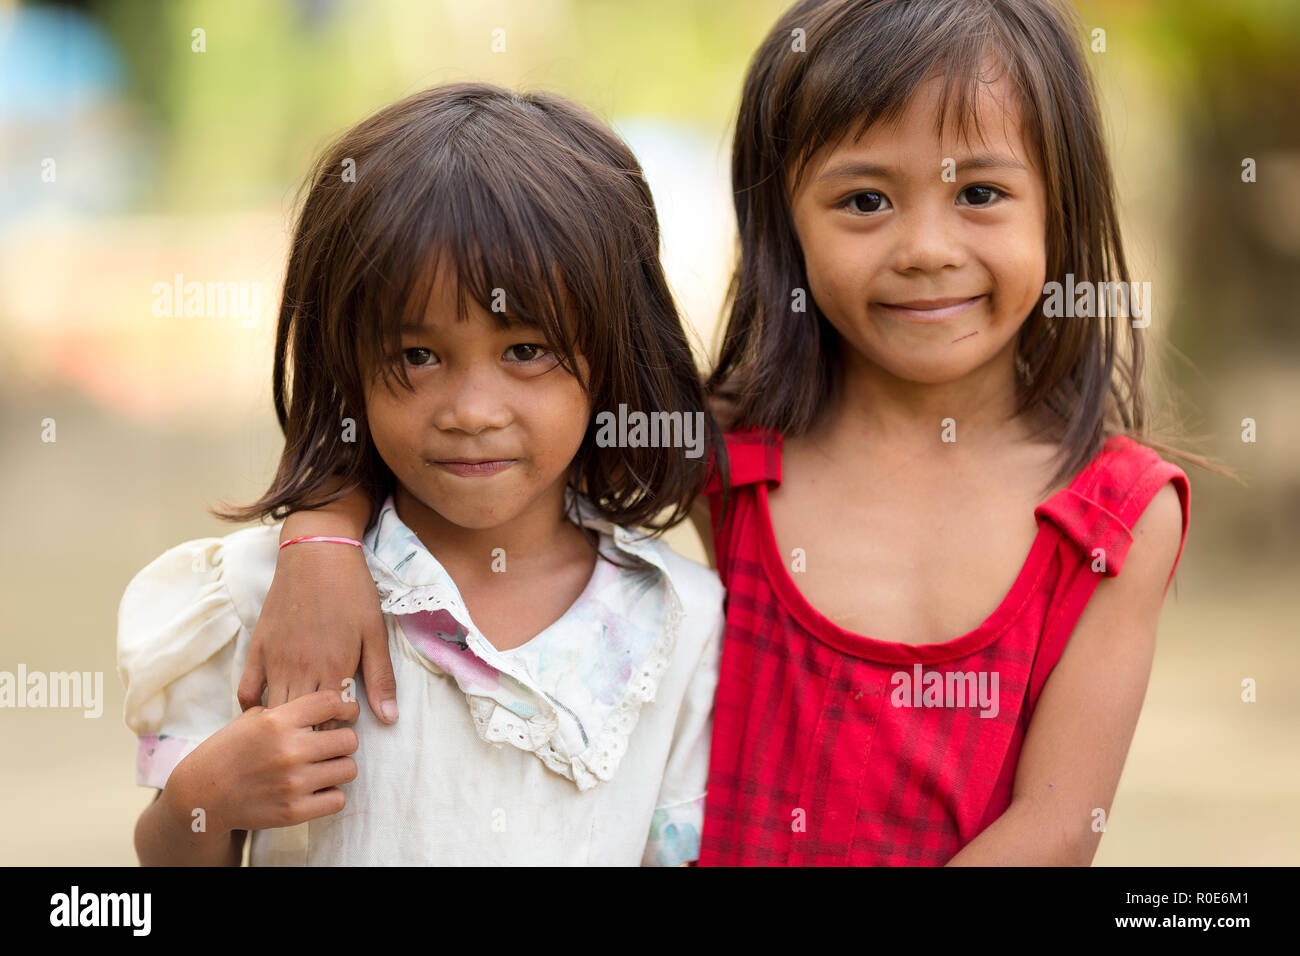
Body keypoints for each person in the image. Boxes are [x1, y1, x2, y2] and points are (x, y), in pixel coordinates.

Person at [253, 0, 1202, 866]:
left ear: (1061, 205)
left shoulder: (1114, 517)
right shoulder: (720, 450)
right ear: (783, 224)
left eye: (981, 194)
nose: (926, 247)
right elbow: (477, 447)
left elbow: (1056, 826)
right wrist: (323, 534)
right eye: (865, 200)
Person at [118, 82, 725, 866]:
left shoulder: (681, 622)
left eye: (526, 351)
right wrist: (205, 799)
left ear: (611, 353)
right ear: (349, 363)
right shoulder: (264, 600)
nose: (472, 410)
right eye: (417, 356)